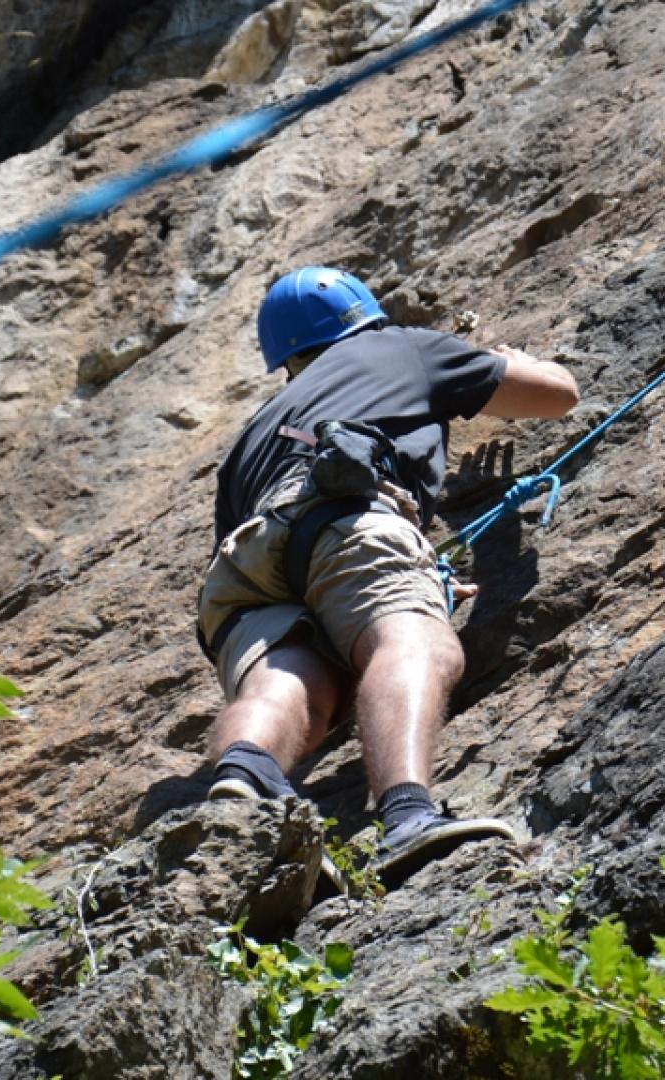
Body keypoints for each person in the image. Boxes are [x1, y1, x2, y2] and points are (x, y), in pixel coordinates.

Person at [196, 266, 580, 886]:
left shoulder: (255, 433)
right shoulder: (401, 345)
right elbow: (557, 394)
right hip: (347, 516)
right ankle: (405, 817)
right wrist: (505, 358)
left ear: (289, 359)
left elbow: (253, 550)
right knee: (413, 641)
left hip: (243, 568)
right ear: (364, 318)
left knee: (295, 689)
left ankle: (243, 794)